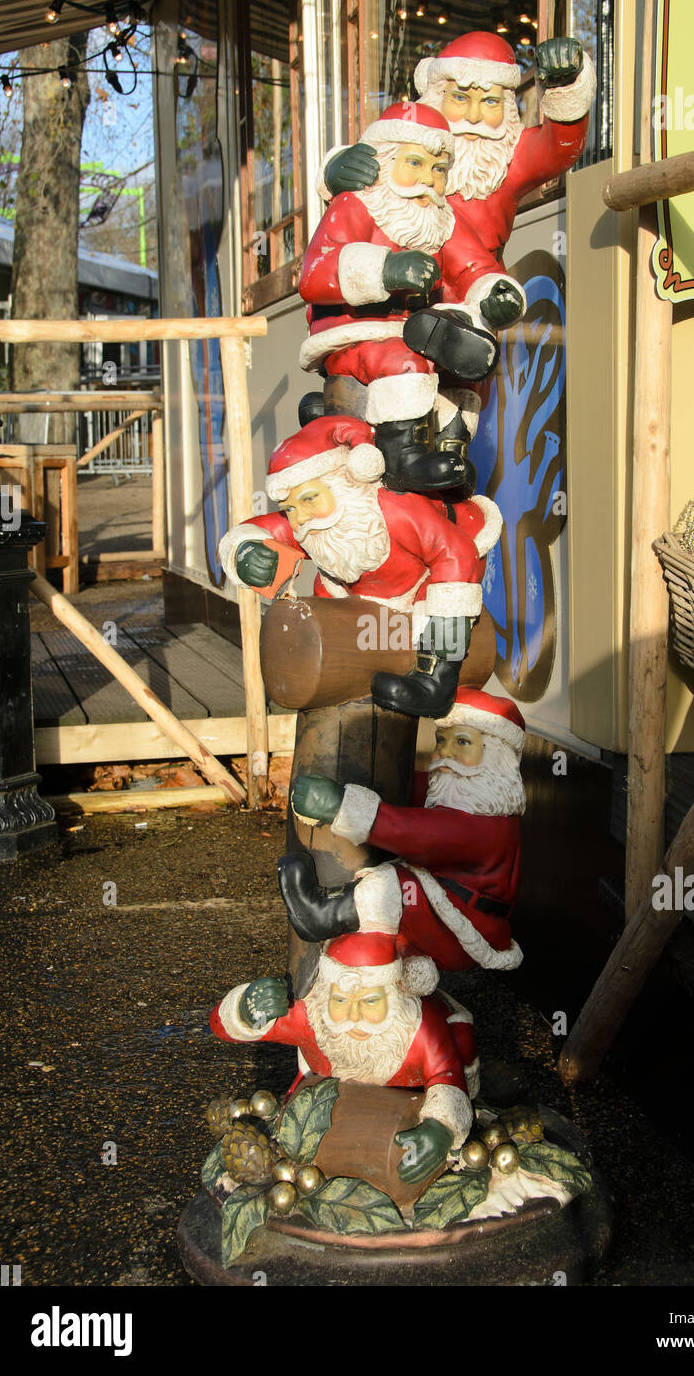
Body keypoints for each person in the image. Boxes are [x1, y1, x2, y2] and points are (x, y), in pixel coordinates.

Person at [319, 32, 595, 457]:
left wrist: (565, 86)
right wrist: (337, 169)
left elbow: (560, 147)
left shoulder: (507, 160)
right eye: (460, 98)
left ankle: (444, 459)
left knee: (456, 399)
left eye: (491, 102)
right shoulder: (404, 155)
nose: (474, 116)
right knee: (377, 390)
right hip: (388, 302)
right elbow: (346, 225)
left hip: (466, 296)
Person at [298, 100, 527, 495]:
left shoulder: (443, 219)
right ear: (385, 164)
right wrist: (385, 269)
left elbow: (472, 266)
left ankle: (451, 452)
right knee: (404, 359)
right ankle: (404, 457)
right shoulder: (356, 206)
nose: (428, 180)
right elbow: (316, 272)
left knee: (460, 375)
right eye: (415, 164)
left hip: (416, 329)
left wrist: (493, 291)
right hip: (357, 334)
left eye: (438, 170)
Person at [218, 416, 502, 716]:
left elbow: (455, 554)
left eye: (309, 499)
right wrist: (245, 550)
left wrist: (442, 643)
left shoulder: (391, 511)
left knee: (446, 597)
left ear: (342, 484)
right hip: (360, 603)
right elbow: (267, 529)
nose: (299, 518)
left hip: (424, 581)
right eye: (290, 508)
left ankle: (436, 679)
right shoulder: (315, 526)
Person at [281, 688, 526, 971]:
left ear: (494, 756)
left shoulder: (487, 826)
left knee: (397, 886)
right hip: (445, 911)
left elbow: (418, 834)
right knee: (388, 914)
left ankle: (323, 915)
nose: (446, 752)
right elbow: (416, 792)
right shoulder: (462, 792)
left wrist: (341, 806)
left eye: (462, 742)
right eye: (441, 740)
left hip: (464, 927)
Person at [210, 932, 474, 1184]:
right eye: (340, 1000)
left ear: (392, 998)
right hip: (323, 1110)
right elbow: (221, 1026)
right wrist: (246, 1009)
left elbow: (446, 1076)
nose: (354, 1015)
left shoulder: (418, 1029)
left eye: (370, 1002)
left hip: (402, 1113)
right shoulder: (314, 1018)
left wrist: (441, 1128)